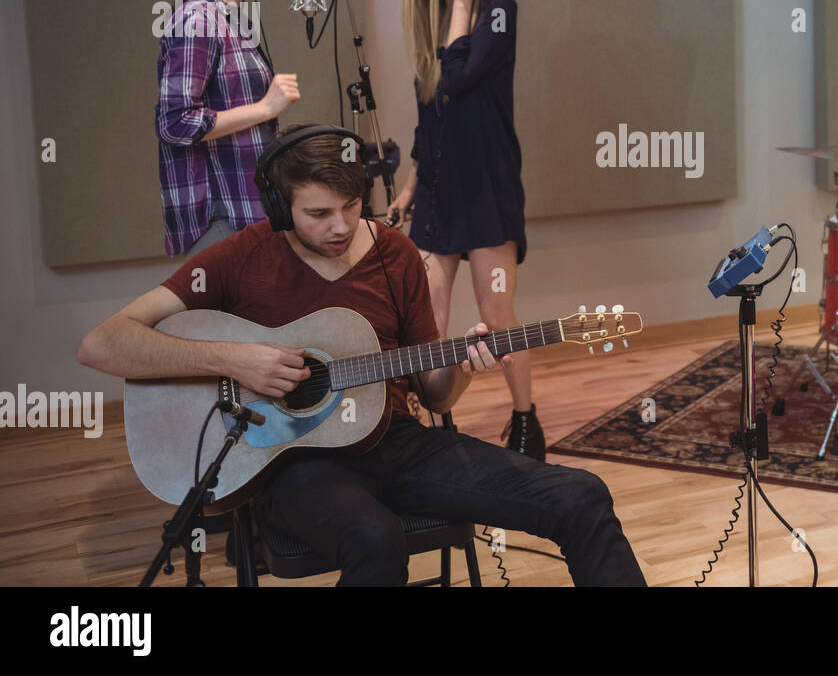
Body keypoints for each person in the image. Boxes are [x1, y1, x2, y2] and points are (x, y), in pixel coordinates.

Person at [77, 125, 646, 587]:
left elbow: (435, 392)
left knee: (580, 495)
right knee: (376, 540)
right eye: (318, 213)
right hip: (295, 464)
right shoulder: (240, 257)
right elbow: (102, 342)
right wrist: (235, 360)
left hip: (398, 442)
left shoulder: (395, 253)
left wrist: (468, 369)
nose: (341, 227)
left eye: (350, 207)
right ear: (280, 207)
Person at [387, 0, 544, 460]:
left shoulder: (498, 10)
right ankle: (436, 430)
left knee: (497, 315)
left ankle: (526, 421)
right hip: (437, 191)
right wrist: (410, 184)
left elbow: (455, 78)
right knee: (424, 316)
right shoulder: (433, 13)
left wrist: (458, 4)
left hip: (486, 188)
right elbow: (431, 113)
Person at [156, 0, 300, 257]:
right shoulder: (197, 20)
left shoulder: (231, 19)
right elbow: (175, 123)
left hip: (247, 213)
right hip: (218, 220)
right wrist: (265, 108)